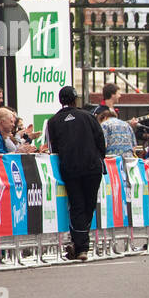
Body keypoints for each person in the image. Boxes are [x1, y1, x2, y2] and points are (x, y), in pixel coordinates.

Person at [45, 86, 106, 262]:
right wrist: (97, 157)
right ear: (75, 99)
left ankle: (79, 243)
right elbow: (100, 141)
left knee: (78, 206)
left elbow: (53, 148)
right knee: (88, 205)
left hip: (70, 169)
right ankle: (81, 246)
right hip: (91, 167)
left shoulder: (53, 121)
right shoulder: (88, 116)